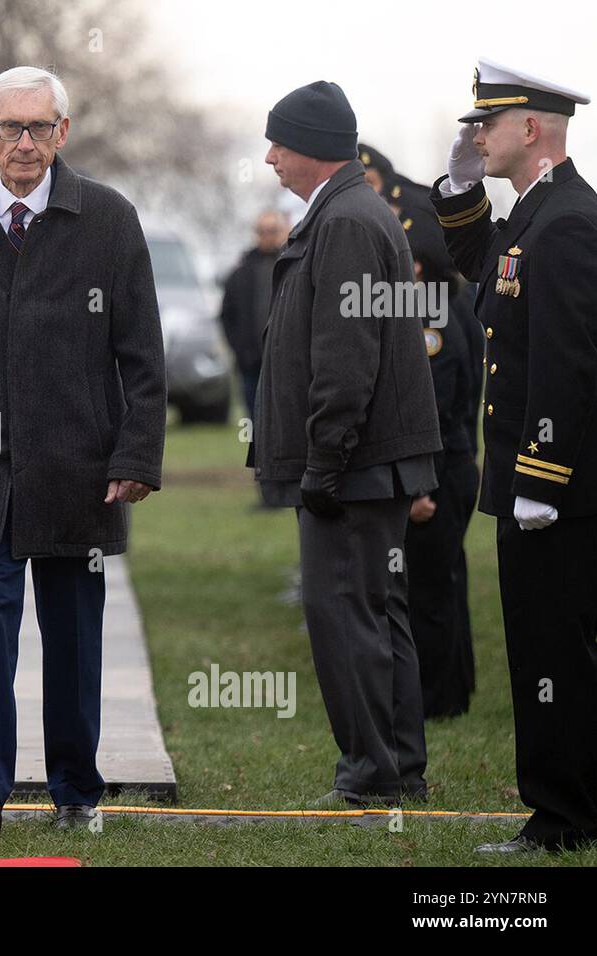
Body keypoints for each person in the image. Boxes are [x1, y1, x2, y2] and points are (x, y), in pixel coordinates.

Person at [0, 66, 168, 836]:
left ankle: (76, 791)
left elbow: (143, 354)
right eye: (11, 128)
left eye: (41, 128)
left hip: (81, 468)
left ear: (63, 133)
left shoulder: (109, 219)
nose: (25, 143)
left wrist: (135, 456)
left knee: (74, 631)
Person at [251, 81, 442, 808]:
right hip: (366, 465)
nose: (269, 157)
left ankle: (373, 776)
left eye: (279, 142)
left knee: (347, 617)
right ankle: (394, 770)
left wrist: (324, 464)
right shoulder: (347, 213)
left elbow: (345, 358)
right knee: (373, 610)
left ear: (313, 148)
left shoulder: (348, 223)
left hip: (355, 468)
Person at [431, 58, 597, 854]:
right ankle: (564, 808)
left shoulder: (566, 222)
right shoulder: (538, 213)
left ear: (530, 129)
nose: (475, 136)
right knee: (543, 646)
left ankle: (564, 818)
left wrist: (540, 475)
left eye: (485, 124)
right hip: (536, 486)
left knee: (554, 650)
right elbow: (487, 278)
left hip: (554, 491)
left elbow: (570, 362)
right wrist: (462, 192)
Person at [396, 199, 482, 720]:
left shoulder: (429, 318)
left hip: (439, 473)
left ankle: (433, 701)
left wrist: (419, 488)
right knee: (446, 579)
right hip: (453, 467)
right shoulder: (452, 304)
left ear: (419, 264)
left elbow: (434, 410)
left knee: (428, 589)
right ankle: (454, 688)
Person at [219, 210, 288, 419]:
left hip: (282, 363)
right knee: (253, 423)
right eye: (262, 231)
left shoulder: (291, 266)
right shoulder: (240, 272)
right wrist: (240, 350)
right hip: (250, 363)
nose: (267, 236)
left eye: (272, 231)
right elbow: (227, 315)